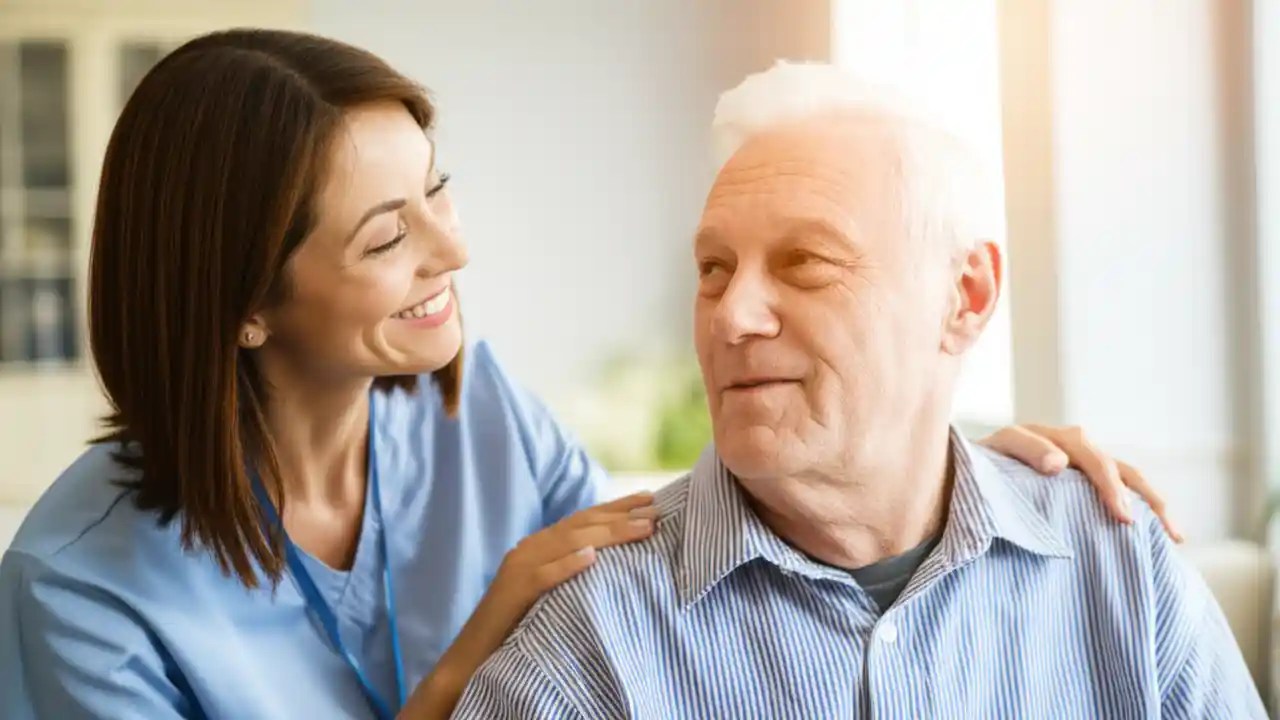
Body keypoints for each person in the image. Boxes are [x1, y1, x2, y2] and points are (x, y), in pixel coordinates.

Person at [0, 31, 1172, 720]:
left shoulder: (467, 407)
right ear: (247, 304)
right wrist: (470, 654)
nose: (451, 252)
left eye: (436, 191)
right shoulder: (80, 580)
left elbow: (677, 534)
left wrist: (941, 450)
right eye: (383, 237)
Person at [452, 62, 1265, 719]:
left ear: (967, 296)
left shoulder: (1115, 556)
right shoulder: (588, 633)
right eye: (713, 269)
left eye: (805, 262)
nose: (730, 315)